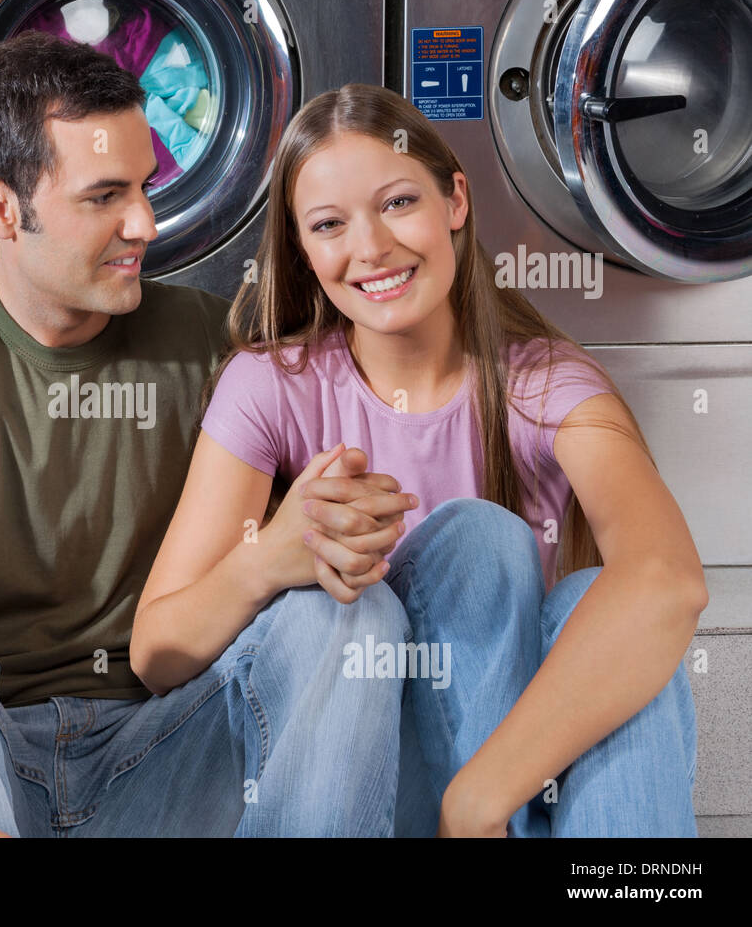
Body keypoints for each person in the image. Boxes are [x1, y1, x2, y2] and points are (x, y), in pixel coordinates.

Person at [0, 34, 411, 837]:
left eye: (146, 185)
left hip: (171, 750)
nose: (145, 222)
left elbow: (318, 550)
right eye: (105, 197)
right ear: (0, 206)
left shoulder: (214, 343)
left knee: (349, 614)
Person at [135, 82, 707, 836]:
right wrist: (271, 556)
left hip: (497, 790)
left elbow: (668, 583)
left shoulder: (545, 385)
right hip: (354, 777)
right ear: (304, 251)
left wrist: (478, 799)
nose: (371, 247)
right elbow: (155, 656)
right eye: (330, 224)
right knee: (484, 540)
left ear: (455, 203)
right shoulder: (274, 385)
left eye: (399, 203)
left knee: (595, 606)